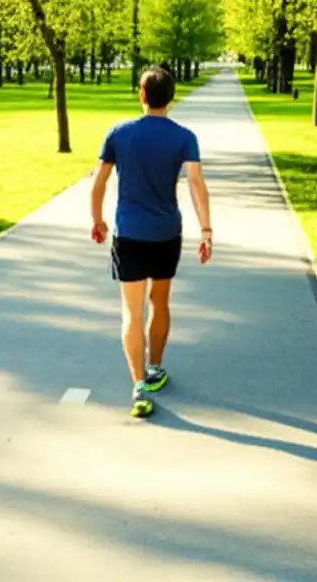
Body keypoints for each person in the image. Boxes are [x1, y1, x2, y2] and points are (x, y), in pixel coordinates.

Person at [89, 65, 213, 418]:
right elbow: (196, 183)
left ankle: (139, 385)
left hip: (129, 233)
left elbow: (98, 183)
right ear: (170, 97)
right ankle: (155, 367)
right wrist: (206, 230)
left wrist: (96, 219)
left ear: (141, 95)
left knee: (132, 309)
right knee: (159, 302)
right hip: (166, 233)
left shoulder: (119, 133)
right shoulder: (184, 137)